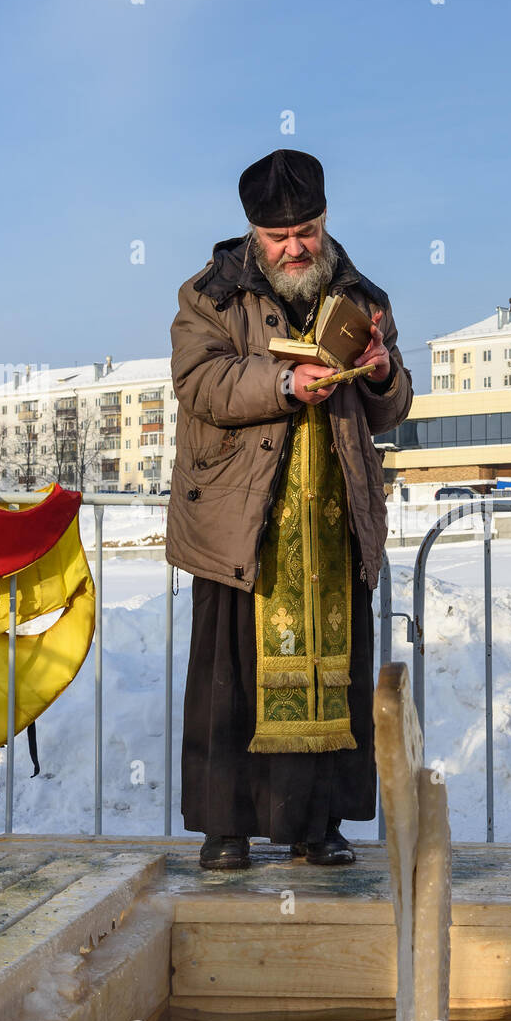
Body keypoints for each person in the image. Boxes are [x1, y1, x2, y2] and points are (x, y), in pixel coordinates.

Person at [165, 149, 413, 870]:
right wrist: (280, 383)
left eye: (305, 230)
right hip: (243, 524)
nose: (295, 247)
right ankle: (226, 828)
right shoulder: (210, 293)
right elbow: (199, 380)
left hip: (333, 523)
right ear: (253, 234)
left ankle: (317, 825)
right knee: (229, 684)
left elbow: (391, 408)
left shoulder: (363, 297)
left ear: (324, 220)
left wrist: (382, 373)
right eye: (279, 238)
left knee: (332, 677)